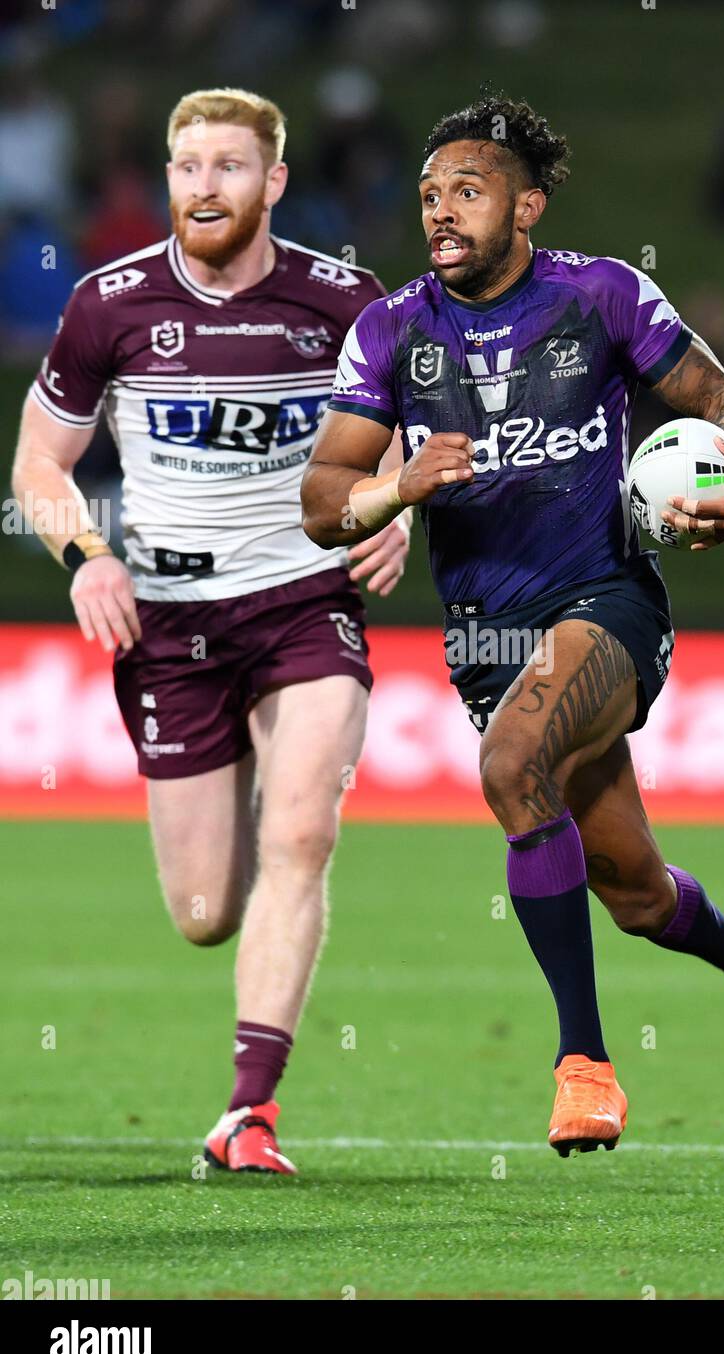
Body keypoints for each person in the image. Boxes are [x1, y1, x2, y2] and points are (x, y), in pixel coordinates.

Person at [301, 94, 724, 1157]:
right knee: (634, 893)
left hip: (610, 603)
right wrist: (395, 486)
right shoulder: (393, 331)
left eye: (471, 191)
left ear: (527, 204)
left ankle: (584, 1064)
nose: (441, 212)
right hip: (488, 637)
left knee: (512, 761)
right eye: (431, 194)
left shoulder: (601, 296)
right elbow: (321, 500)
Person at [12, 87, 409, 1174]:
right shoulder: (111, 304)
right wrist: (86, 557)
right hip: (170, 624)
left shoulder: (343, 301)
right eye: (188, 166)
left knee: (303, 836)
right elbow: (38, 465)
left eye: (230, 166)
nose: (204, 185)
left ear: (274, 182)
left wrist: (394, 514)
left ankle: (249, 1111)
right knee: (201, 911)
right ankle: (235, 786)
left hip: (301, 604)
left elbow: (393, 443)